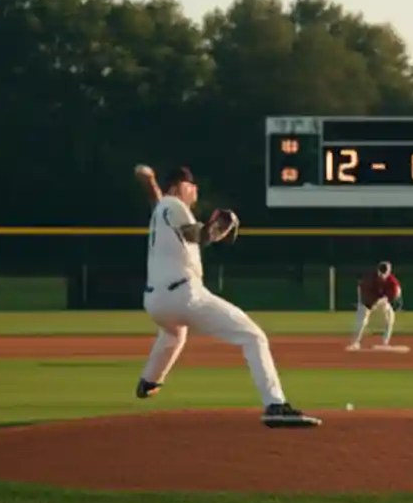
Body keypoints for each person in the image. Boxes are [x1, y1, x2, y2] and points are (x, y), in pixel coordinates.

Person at [132, 163, 321, 429]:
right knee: (253, 336)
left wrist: (149, 181)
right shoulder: (175, 205)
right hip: (184, 294)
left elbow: (157, 201)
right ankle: (275, 404)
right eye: (190, 184)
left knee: (174, 333)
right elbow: (197, 234)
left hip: (156, 302)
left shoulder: (162, 209)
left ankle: (149, 380)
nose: (195, 189)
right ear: (177, 187)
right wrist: (216, 230)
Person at [347, 261, 403, 350]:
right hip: (367, 300)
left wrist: (392, 296)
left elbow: (393, 294)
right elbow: (363, 293)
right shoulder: (370, 279)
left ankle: (384, 342)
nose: (383, 273)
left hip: (382, 300)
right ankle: (355, 343)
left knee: (389, 318)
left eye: (385, 271)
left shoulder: (392, 282)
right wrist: (369, 304)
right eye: (382, 270)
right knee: (361, 321)